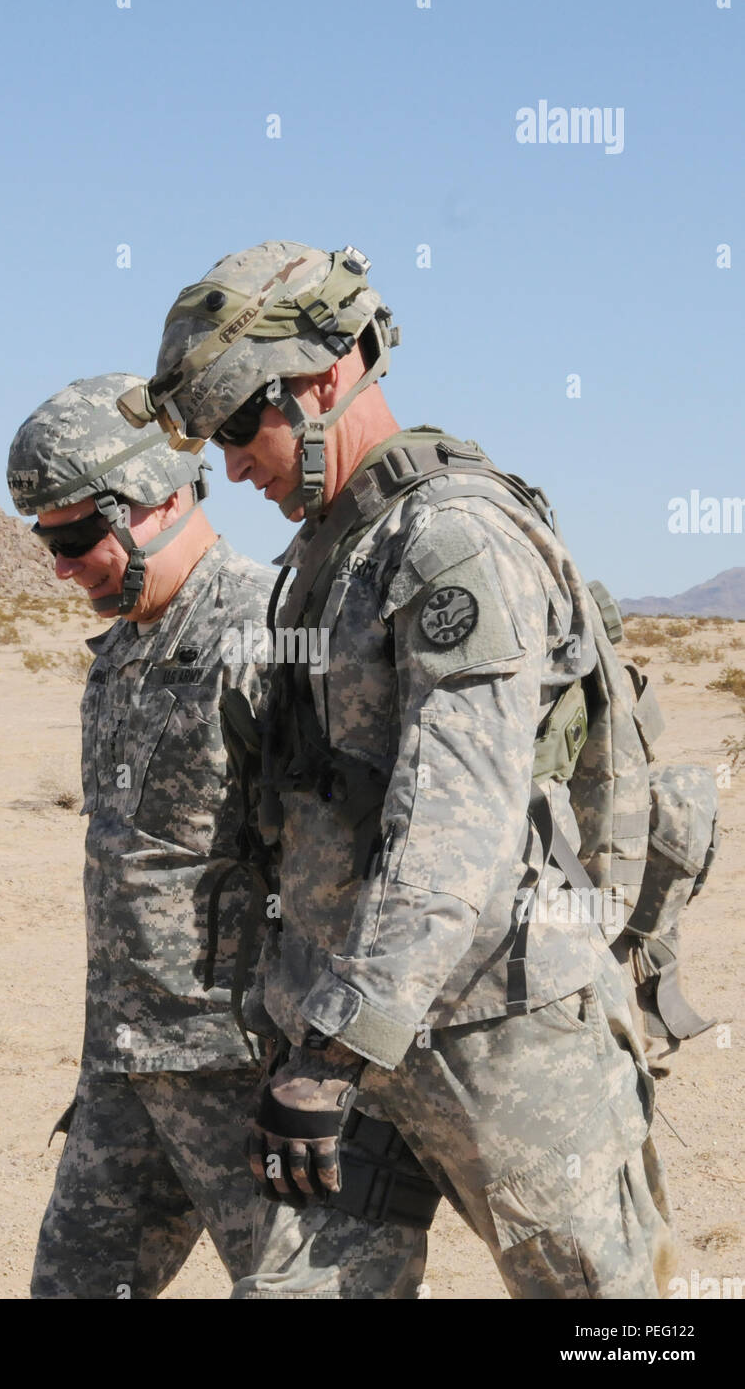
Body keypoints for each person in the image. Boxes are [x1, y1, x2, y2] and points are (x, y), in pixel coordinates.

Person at [120, 243, 678, 1299]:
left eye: (243, 423)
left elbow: (451, 826)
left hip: (494, 1027)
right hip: (342, 1037)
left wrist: (332, 1054)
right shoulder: (320, 560)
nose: (234, 466)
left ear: (324, 377)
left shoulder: (451, 540)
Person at [7, 372, 275, 1298]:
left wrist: (323, 1076)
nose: (62, 567)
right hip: (125, 1073)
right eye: (46, 543)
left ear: (161, 497)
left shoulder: (271, 633)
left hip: (251, 1085)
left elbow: (343, 867)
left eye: (77, 538)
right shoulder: (120, 653)